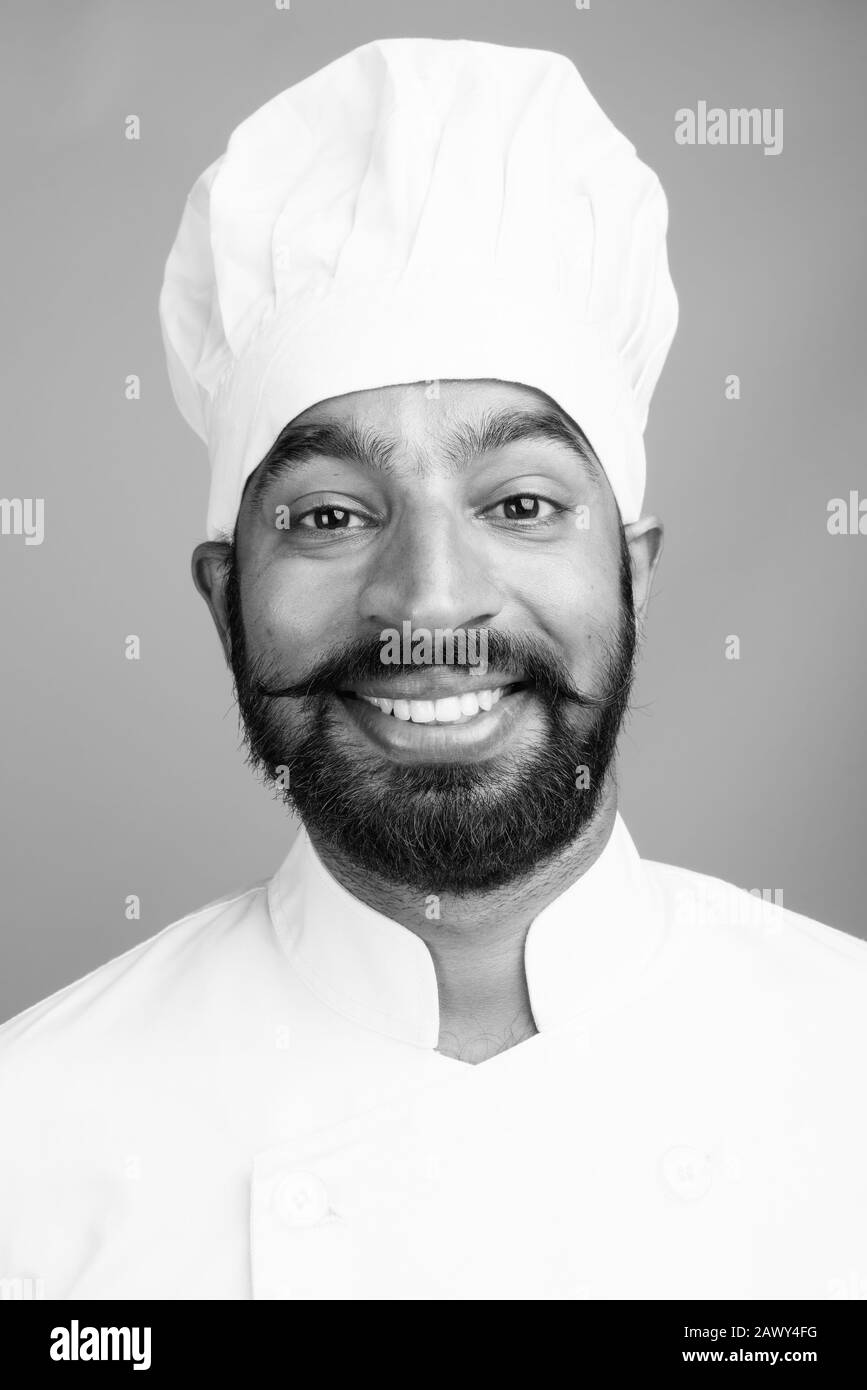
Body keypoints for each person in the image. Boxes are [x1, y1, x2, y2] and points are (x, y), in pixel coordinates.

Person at [2, 37, 865, 1302]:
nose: (429, 600)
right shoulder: (33, 1146)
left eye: (518, 502)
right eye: (330, 515)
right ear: (222, 599)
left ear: (637, 576)